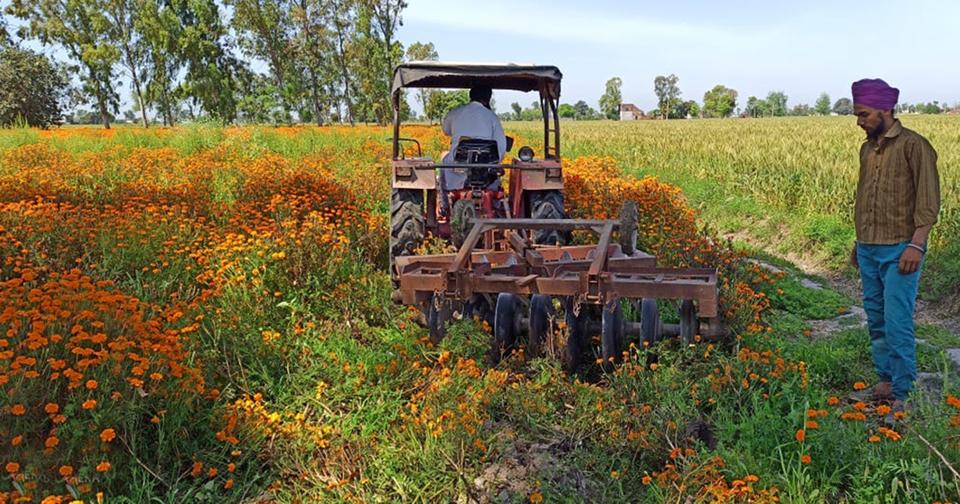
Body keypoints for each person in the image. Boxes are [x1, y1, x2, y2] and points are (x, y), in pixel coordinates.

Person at [848, 78, 941, 418]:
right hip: (869, 247)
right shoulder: (867, 149)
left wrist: (917, 245)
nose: (859, 121)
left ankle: (905, 392)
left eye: (864, 114)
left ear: (885, 110)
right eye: (857, 114)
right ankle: (885, 382)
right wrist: (858, 243)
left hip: (901, 249)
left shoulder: (914, 146)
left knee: (897, 320)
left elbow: (929, 202)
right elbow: (864, 200)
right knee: (875, 318)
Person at [439, 86, 507, 210]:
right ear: (488, 99)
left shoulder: (456, 112)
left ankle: (445, 206)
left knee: (444, 158)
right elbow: (501, 148)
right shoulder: (492, 117)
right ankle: (496, 208)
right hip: (485, 173)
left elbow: (446, 130)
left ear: (471, 96)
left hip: (458, 170)